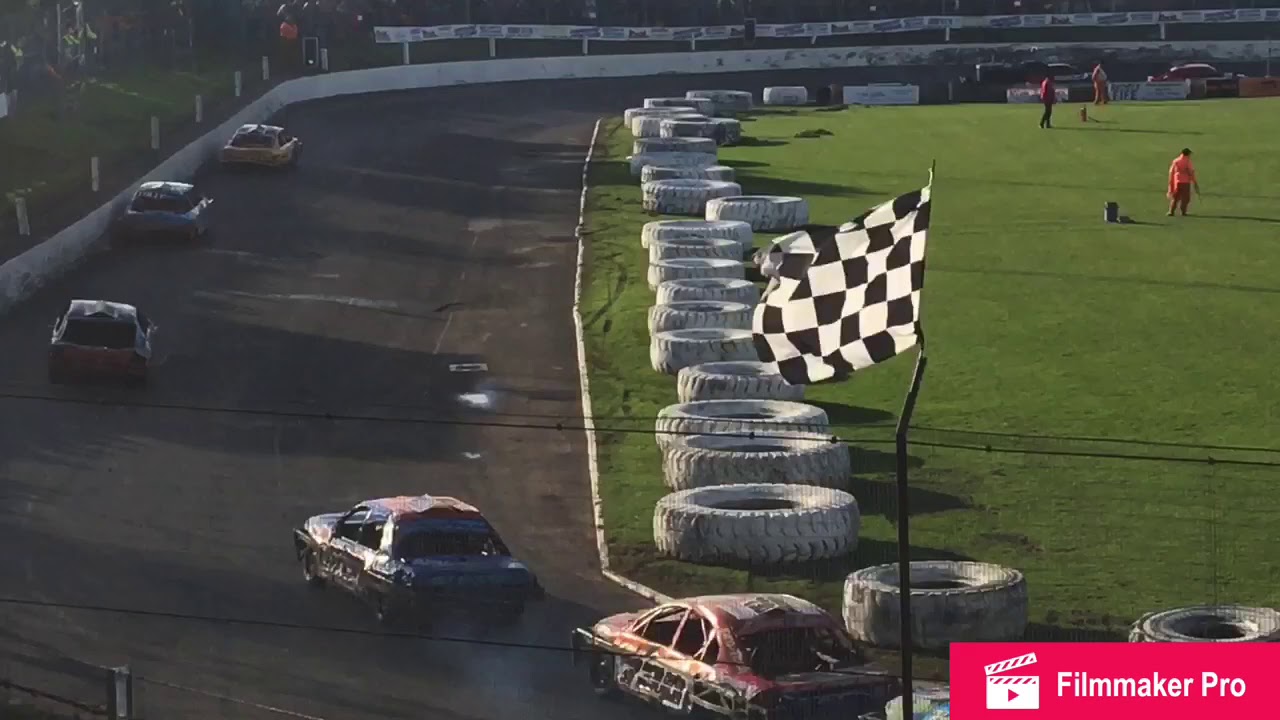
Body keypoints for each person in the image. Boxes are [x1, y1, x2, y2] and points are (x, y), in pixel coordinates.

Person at [1167, 148, 1200, 217]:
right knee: (1186, 198)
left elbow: (1172, 171)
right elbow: (1191, 172)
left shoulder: (1176, 161)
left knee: (1176, 197)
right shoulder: (1187, 161)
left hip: (1177, 181)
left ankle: (1171, 211)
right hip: (1185, 182)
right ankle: (1183, 211)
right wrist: (1194, 182)